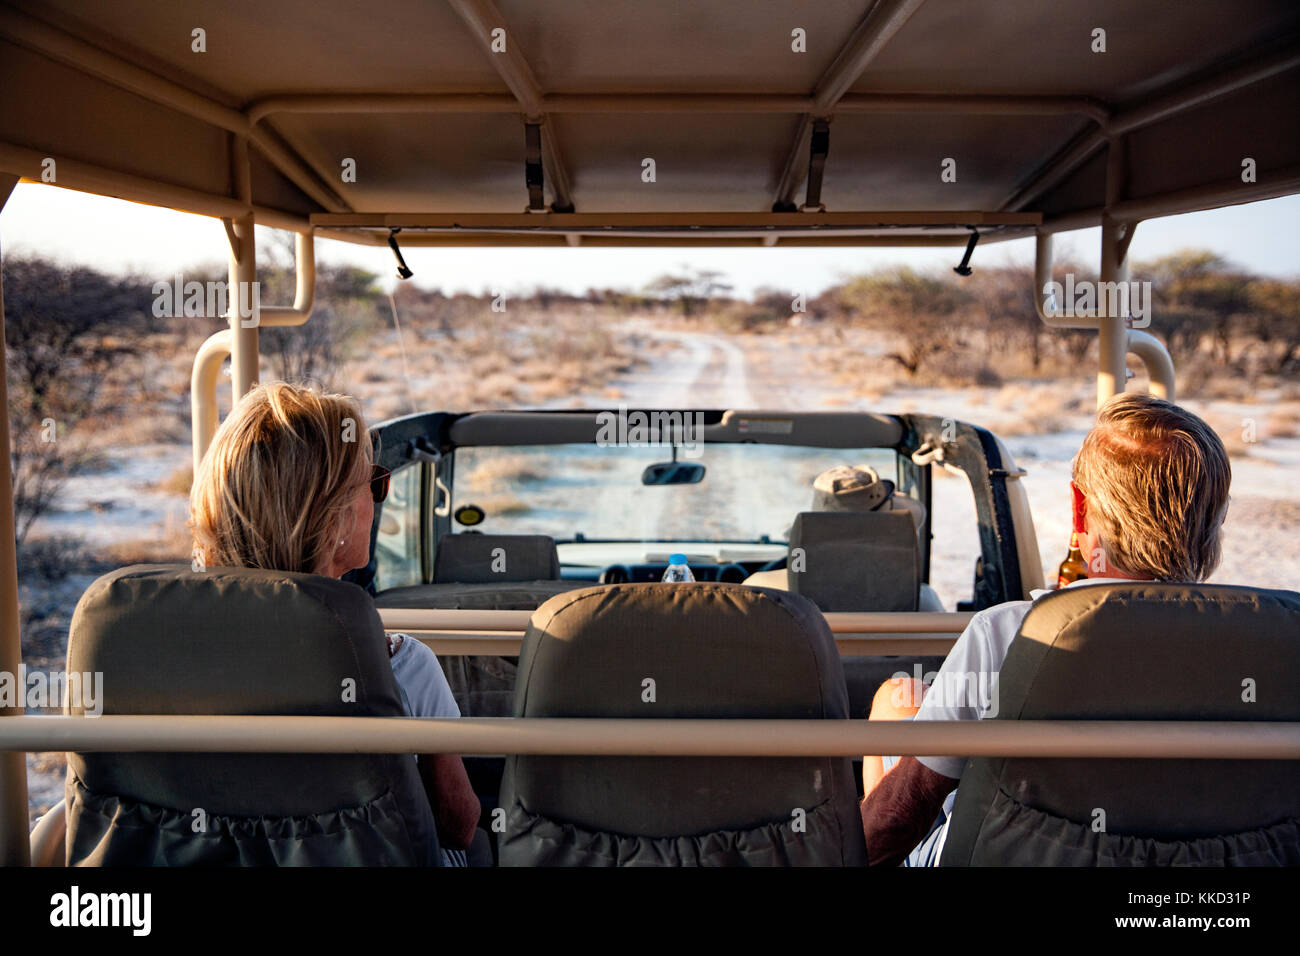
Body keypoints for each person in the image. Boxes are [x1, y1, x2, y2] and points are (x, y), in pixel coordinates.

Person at [860, 393, 1232, 866]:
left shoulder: (1011, 634)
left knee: (897, 701)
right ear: (1215, 521)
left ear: (1080, 510)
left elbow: (895, 820)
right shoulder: (1270, 642)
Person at [189, 382, 482, 865]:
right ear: (334, 518)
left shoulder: (162, 649)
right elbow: (458, 826)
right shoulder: (399, 665)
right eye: (375, 483)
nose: (378, 502)